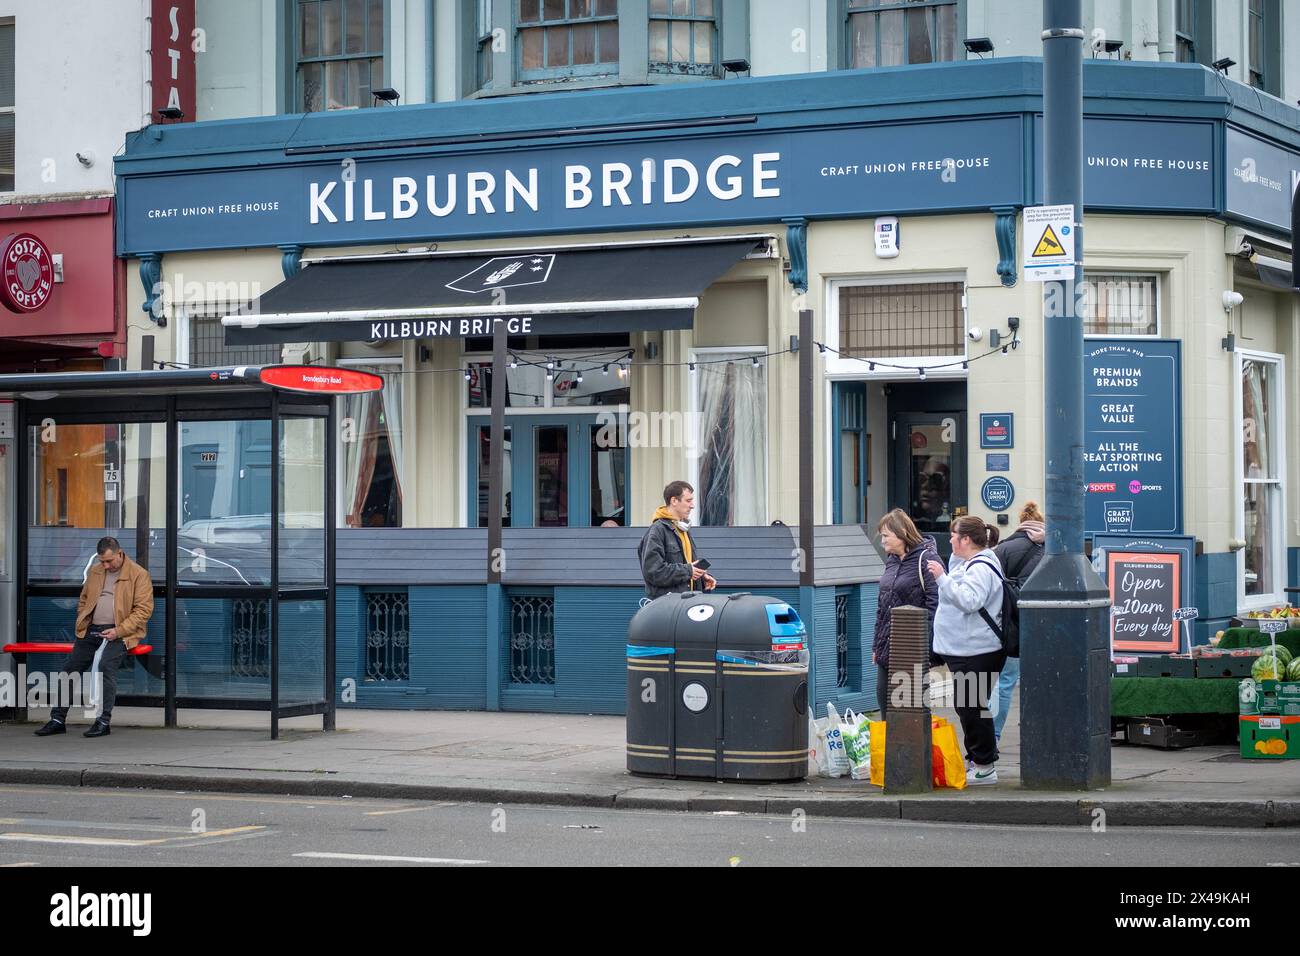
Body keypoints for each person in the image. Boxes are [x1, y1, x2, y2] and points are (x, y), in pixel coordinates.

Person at [35, 537, 155, 738]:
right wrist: (83, 618)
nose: (106, 565)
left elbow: (143, 611)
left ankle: (103, 720)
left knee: (105, 666)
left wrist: (118, 630)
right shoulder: (96, 571)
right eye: (102, 561)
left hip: (121, 632)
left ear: (120, 553)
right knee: (70, 668)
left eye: (109, 561)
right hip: (92, 630)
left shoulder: (138, 574)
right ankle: (57, 719)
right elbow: (84, 599)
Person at [927, 515, 1006, 786]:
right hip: (966, 649)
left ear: (966, 540)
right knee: (968, 706)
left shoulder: (981, 567)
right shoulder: (967, 563)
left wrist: (941, 579)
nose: (949, 539)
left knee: (971, 706)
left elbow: (969, 601)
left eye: (954, 535)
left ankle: (984, 765)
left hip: (979, 649)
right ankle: (978, 759)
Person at [871, 509, 939, 717]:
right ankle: (888, 749)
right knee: (884, 699)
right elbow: (882, 607)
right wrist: (876, 645)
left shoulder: (926, 560)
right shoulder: (891, 561)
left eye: (886, 536)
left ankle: (917, 749)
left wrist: (928, 648)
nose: (882, 541)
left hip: (913, 646)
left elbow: (935, 606)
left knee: (913, 706)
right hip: (887, 645)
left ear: (901, 534)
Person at [990, 502, 1045, 740]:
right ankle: (1039, 735)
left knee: (1003, 683)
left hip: (1008, 625)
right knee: (1045, 682)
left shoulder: (1001, 549)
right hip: (1045, 624)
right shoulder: (1052, 550)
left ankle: (994, 736)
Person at [638, 481, 716, 600]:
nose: (693, 505)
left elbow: (687, 567)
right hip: (667, 608)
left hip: (686, 605)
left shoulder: (683, 529)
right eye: (688, 501)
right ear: (674, 501)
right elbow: (653, 572)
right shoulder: (657, 531)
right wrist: (689, 571)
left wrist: (701, 577)